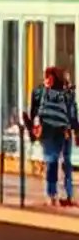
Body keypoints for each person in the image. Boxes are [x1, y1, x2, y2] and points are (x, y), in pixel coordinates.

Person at [28, 65, 79, 206]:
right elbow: (38, 111)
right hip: (55, 130)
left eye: (49, 77)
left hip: (60, 131)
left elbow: (70, 112)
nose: (47, 80)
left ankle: (59, 194)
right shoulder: (44, 92)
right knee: (55, 161)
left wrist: (74, 128)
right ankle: (55, 194)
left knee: (57, 162)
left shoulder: (61, 94)